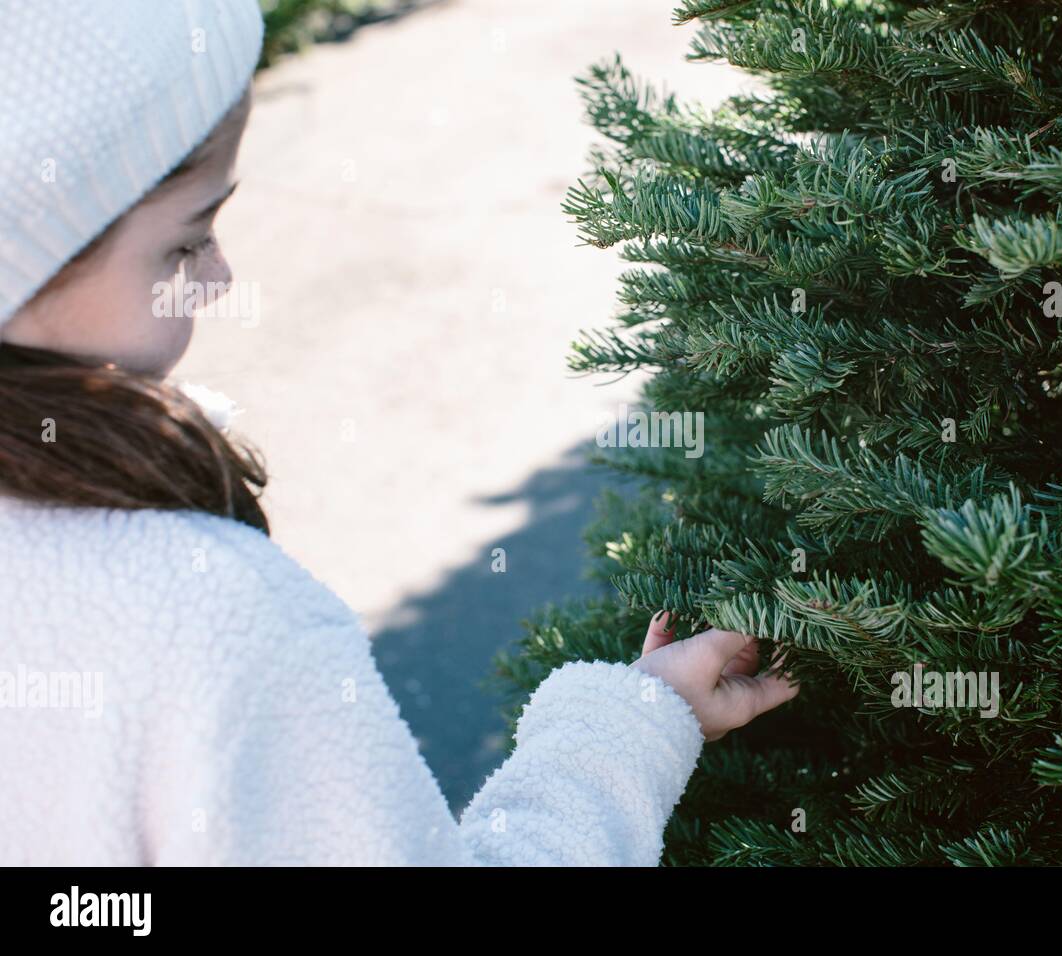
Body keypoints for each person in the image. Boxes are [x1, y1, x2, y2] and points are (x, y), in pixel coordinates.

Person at [0, 0, 799, 865]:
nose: (220, 276)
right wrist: (633, 726)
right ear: (33, 259)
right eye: (187, 243)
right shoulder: (201, 622)